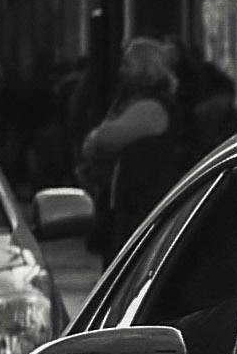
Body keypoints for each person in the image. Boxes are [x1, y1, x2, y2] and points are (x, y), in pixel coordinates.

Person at [77, 36, 186, 253]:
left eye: (128, 64)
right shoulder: (141, 102)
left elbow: (101, 141)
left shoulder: (150, 107)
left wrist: (93, 139)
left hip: (143, 207)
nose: (121, 71)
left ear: (145, 68)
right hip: (138, 205)